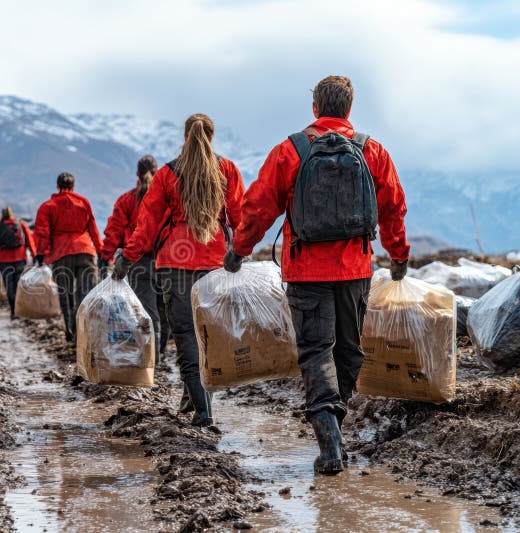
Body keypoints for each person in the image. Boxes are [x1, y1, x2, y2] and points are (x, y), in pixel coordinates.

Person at [224, 76, 410, 475]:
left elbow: (258, 207)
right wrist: (399, 256)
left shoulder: (290, 150)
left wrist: (238, 251)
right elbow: (393, 207)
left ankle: (328, 436)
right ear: (349, 108)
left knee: (315, 350)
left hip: (306, 270)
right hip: (356, 269)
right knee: (347, 350)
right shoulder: (372, 150)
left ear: (314, 108)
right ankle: (334, 427)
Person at [113, 114, 245, 427]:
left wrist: (127, 258)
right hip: (215, 264)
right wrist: (240, 251)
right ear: (211, 137)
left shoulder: (168, 174)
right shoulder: (227, 169)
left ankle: (203, 411)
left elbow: (147, 225)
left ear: (185, 136)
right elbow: (242, 216)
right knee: (209, 336)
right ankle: (200, 400)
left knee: (186, 336)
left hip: (175, 264)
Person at [102, 155, 169, 367]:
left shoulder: (126, 200)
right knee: (166, 311)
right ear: (157, 172)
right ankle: (160, 353)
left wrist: (106, 256)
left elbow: (114, 230)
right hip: (167, 260)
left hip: (138, 261)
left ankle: (152, 360)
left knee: (148, 313)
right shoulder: (168, 198)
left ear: (137, 174)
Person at [33, 172, 103, 342]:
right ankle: (81, 331)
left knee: (65, 294)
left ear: (57, 186)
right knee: (84, 294)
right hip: (85, 251)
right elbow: (93, 229)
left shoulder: (48, 206)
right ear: (73, 186)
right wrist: (101, 251)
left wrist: (40, 256)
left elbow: (42, 234)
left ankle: (70, 330)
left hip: (61, 253)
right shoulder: (84, 202)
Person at [0, 207, 36, 319]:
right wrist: (34, 255)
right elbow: (29, 240)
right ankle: (20, 310)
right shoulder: (21, 224)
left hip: (4, 260)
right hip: (20, 258)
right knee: (19, 285)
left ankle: (14, 311)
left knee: (9, 286)